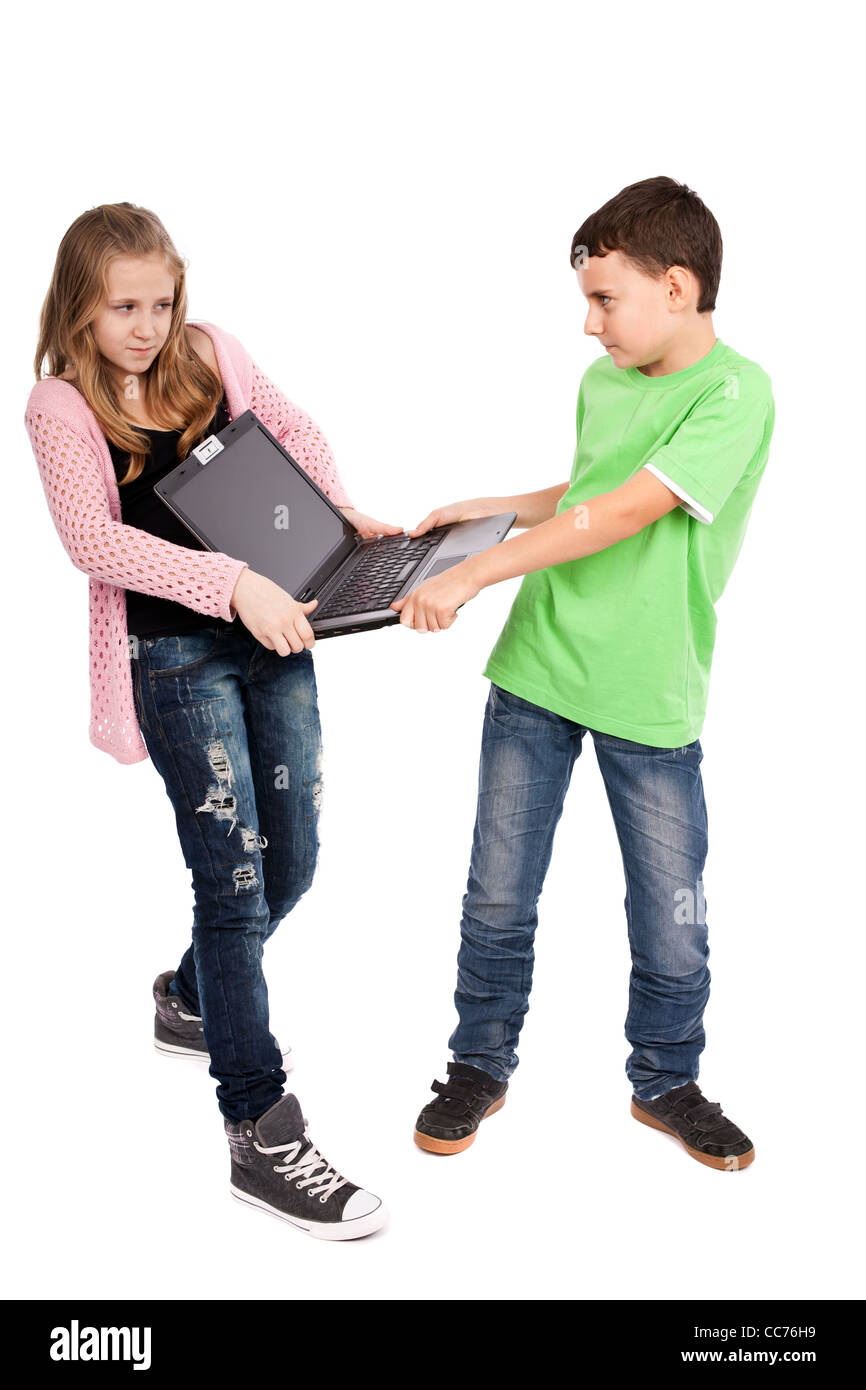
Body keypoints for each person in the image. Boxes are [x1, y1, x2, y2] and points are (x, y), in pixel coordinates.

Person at [24, 201, 393, 1237]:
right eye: (123, 307)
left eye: (161, 300)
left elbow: (295, 433)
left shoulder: (210, 351)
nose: (147, 326)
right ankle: (259, 1131)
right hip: (179, 655)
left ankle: (189, 996)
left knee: (296, 860)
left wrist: (338, 514)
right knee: (231, 886)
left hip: (276, 629)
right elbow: (94, 542)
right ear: (81, 308)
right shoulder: (58, 406)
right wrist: (232, 584)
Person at [392, 176, 774, 1172]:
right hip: (538, 671)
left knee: (668, 907)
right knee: (496, 893)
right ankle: (478, 1063)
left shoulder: (735, 393)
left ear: (676, 288)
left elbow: (622, 515)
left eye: (603, 299)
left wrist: (473, 574)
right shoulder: (605, 383)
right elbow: (584, 492)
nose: (586, 324)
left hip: (648, 690)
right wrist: (489, 511)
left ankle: (666, 1078)